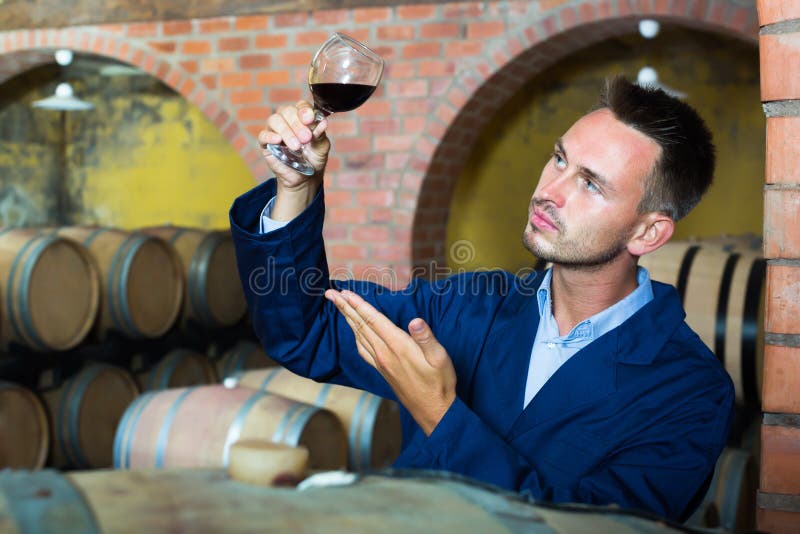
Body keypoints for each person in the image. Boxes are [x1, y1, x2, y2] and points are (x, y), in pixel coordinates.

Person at [229, 76, 734, 522]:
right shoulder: (471, 304)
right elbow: (306, 332)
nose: (549, 192)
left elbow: (587, 527)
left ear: (648, 233)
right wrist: (295, 189)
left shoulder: (689, 391)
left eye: (590, 184)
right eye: (559, 158)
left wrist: (441, 416)